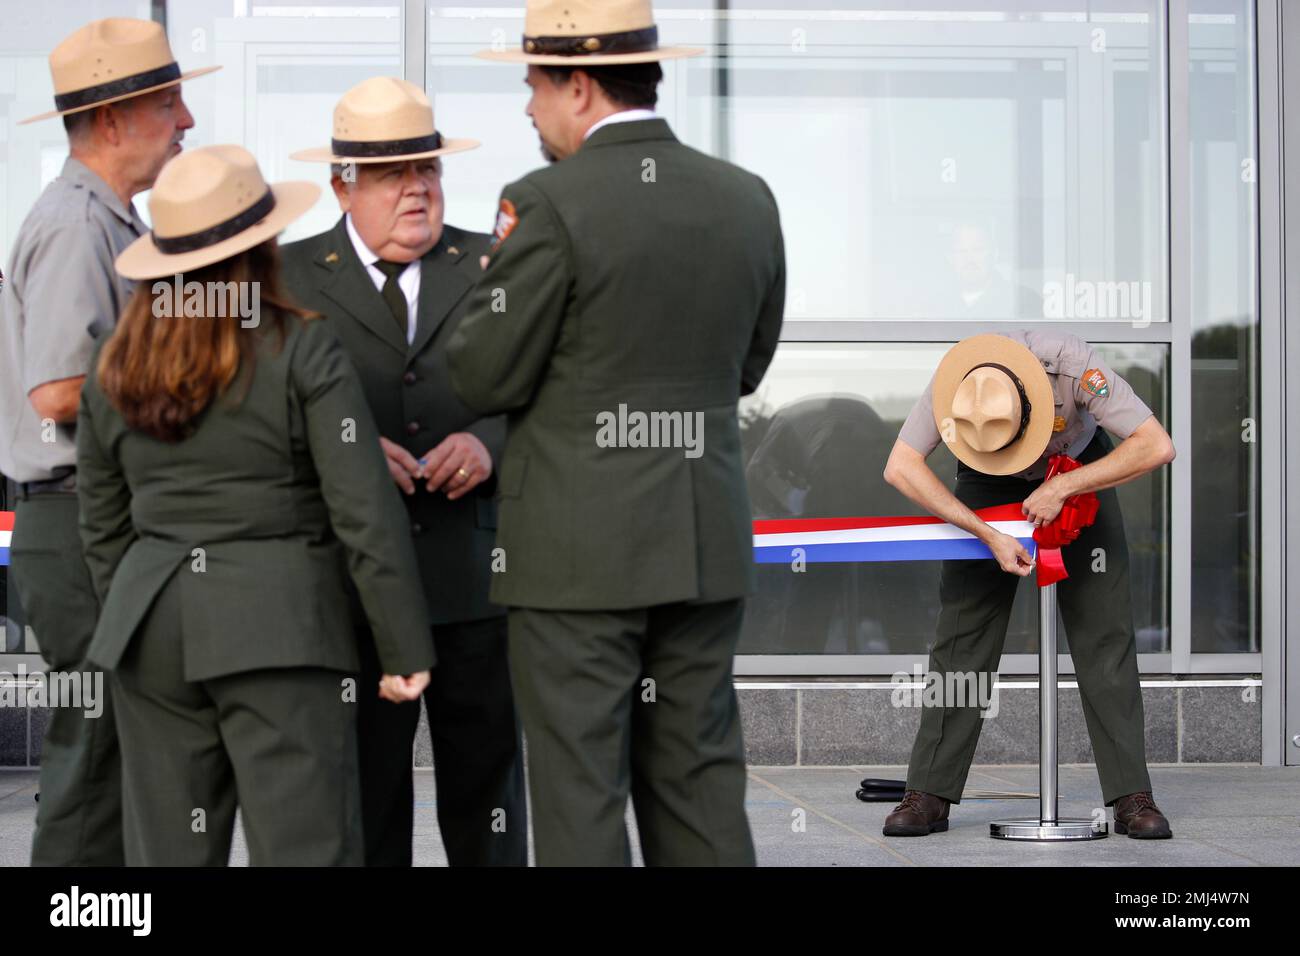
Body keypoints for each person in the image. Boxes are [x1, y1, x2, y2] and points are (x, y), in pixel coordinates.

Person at [447, 0, 787, 866]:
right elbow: (745, 369)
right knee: (701, 780)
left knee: (579, 793)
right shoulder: (746, 197)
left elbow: (483, 373)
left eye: (533, 86)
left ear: (578, 84)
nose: (528, 108)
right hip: (702, 542)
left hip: (574, 559)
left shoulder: (543, 203)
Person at [76, 145, 435, 866]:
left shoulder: (114, 361)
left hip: (153, 634)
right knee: (307, 850)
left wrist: (138, 608)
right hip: (283, 629)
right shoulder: (302, 346)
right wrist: (402, 645)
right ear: (260, 247)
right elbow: (362, 507)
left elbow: (102, 521)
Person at [282, 77, 526, 866]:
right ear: (341, 185)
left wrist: (490, 443)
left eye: (428, 168)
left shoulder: (495, 265)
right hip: (347, 595)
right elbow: (249, 418)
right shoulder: (284, 280)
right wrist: (338, 452)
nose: (417, 187)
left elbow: (552, 396)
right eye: (392, 173)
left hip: (477, 584)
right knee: (364, 804)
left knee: (488, 802)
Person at [0, 17, 217, 866]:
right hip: (79, 523)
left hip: (94, 522)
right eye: (171, 103)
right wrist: (203, 403)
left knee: (112, 753)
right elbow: (56, 392)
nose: (188, 121)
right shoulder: (75, 226)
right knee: (93, 758)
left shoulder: (109, 222)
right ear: (116, 120)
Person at [881, 331, 1177, 839]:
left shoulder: (1074, 366)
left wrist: (1063, 485)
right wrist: (985, 532)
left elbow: (1156, 444)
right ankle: (927, 792)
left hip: (1077, 468)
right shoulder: (955, 383)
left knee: (1104, 634)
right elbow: (900, 467)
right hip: (985, 474)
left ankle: (1132, 795)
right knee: (961, 637)